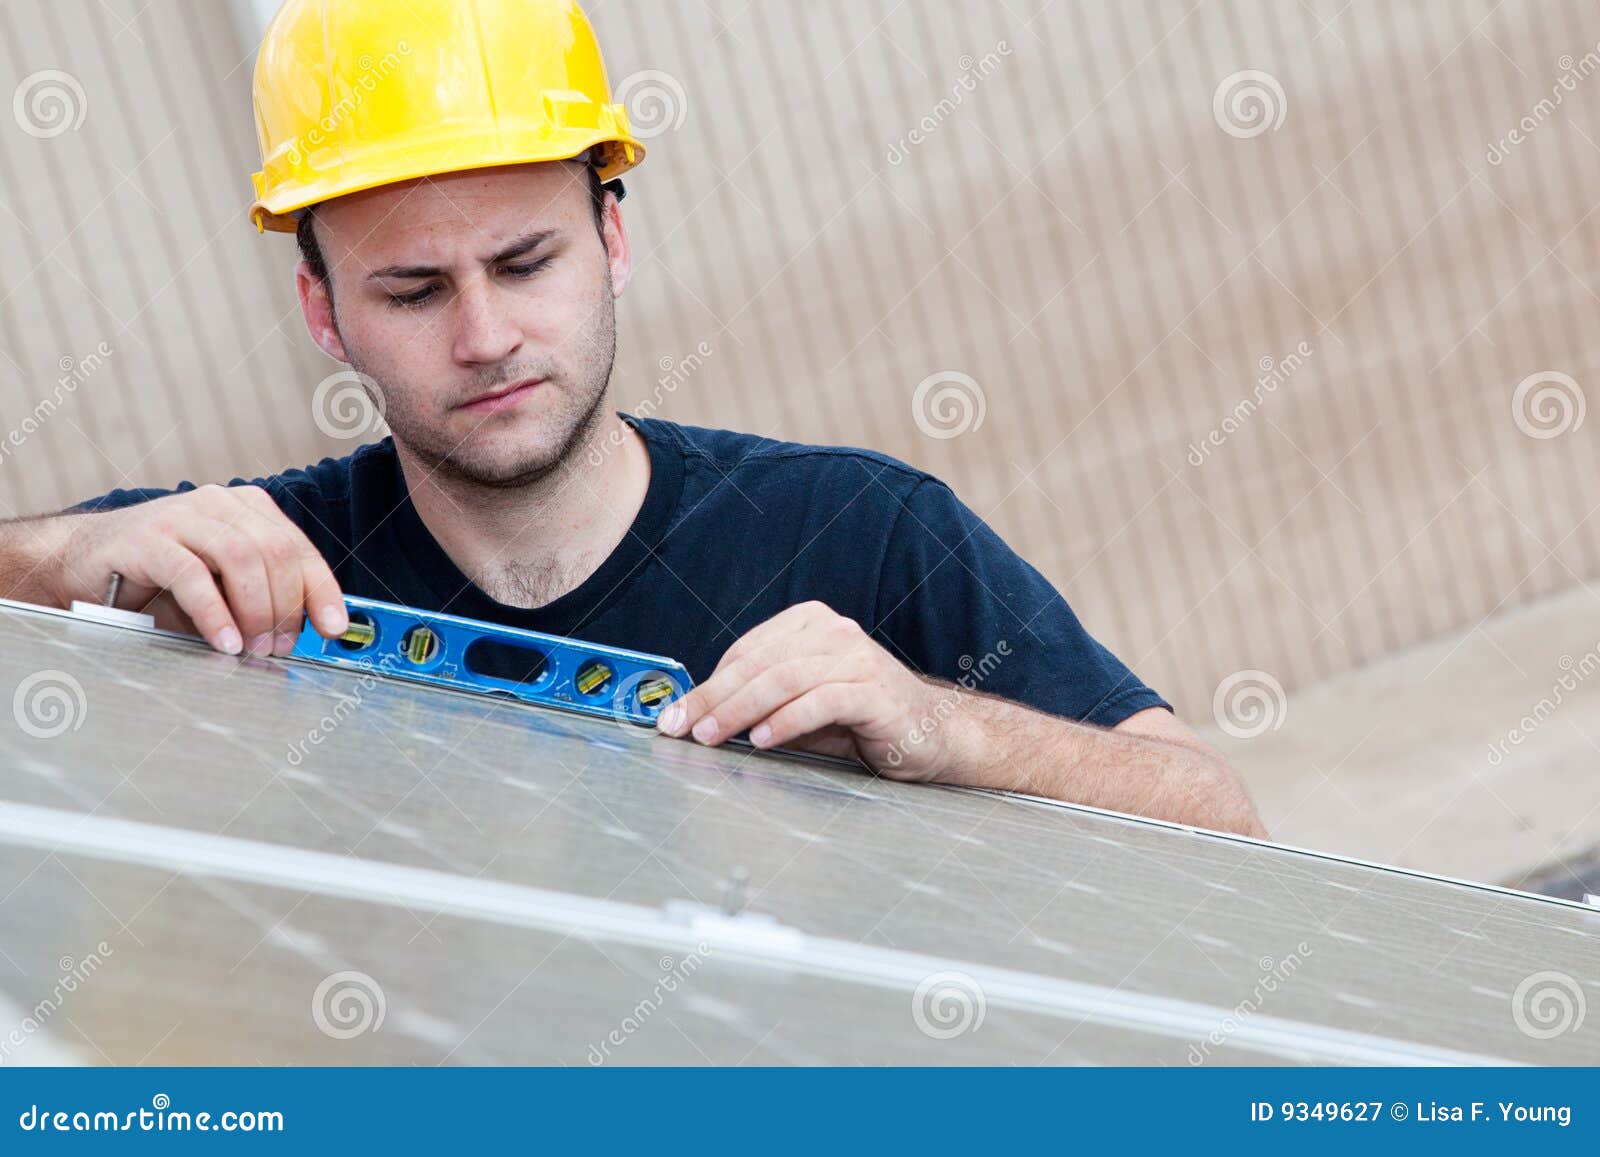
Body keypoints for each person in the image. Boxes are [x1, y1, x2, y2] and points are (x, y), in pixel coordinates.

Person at [0, 0, 1265, 838]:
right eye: (411, 289)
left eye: (526, 260)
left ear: (612, 237)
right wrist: (59, 559)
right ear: (322, 312)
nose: (485, 333)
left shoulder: (859, 529)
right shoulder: (249, 568)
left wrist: (946, 725)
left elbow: (1218, 818)